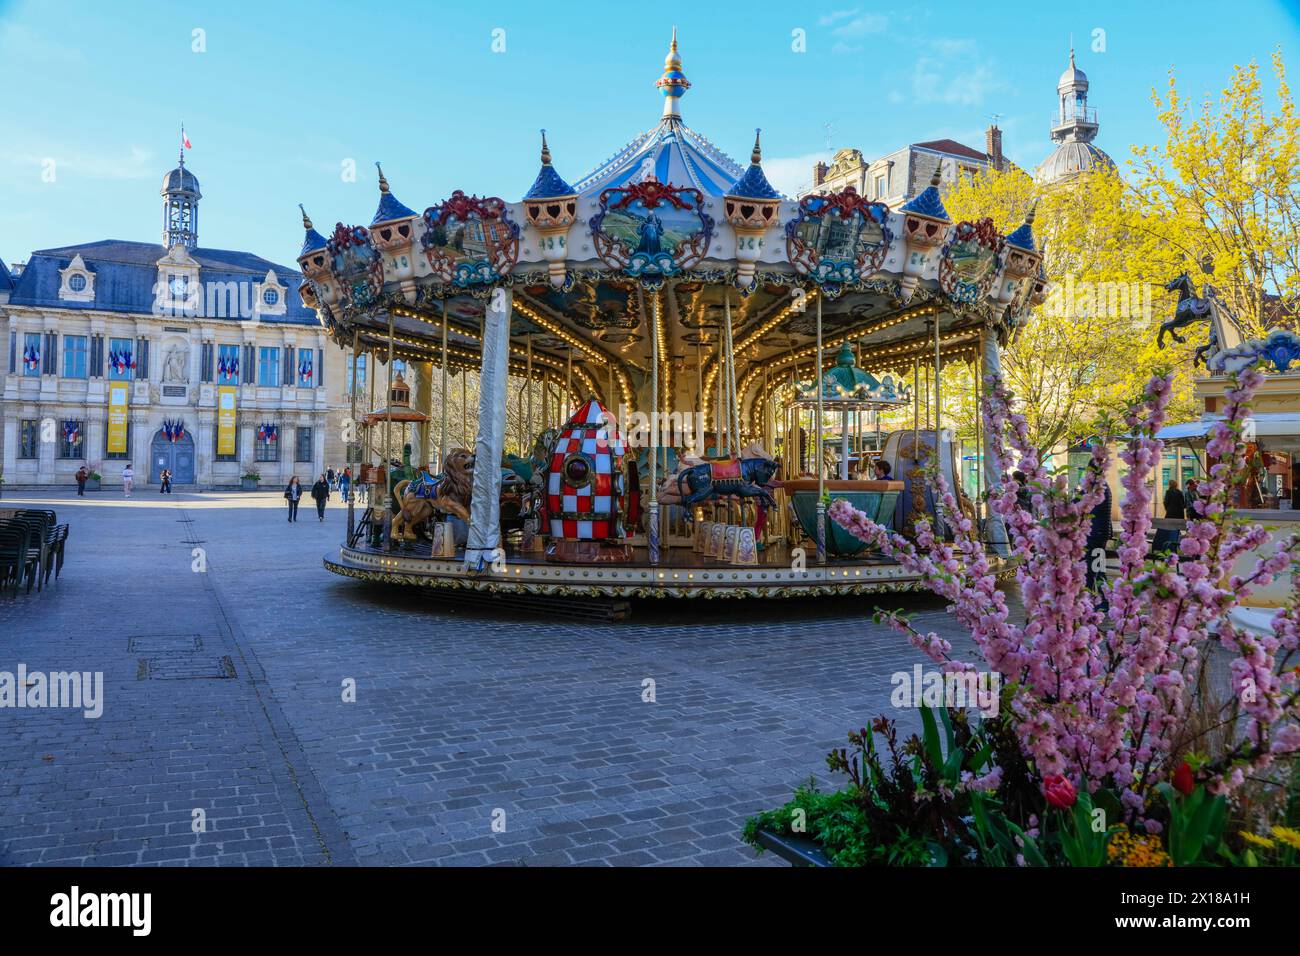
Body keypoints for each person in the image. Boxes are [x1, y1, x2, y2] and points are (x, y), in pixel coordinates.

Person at [1085, 481, 1114, 610]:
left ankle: (1101, 600)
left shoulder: (1100, 487)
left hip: (1097, 534)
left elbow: (1088, 506)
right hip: (1098, 533)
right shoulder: (1100, 486)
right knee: (1096, 569)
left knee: (1095, 569)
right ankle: (1096, 599)